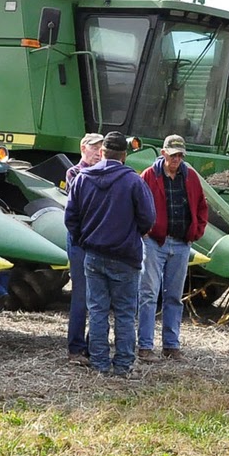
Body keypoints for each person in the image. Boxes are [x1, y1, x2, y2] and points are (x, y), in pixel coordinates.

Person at [64, 130, 154, 377]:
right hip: (125, 255)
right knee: (125, 313)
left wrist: (84, 240)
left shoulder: (83, 178)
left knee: (97, 310)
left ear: (103, 152)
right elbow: (148, 218)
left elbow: (70, 218)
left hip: (93, 254)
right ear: (124, 155)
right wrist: (133, 234)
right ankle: (123, 365)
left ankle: (100, 363)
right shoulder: (134, 181)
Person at [137, 134, 208, 361]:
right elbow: (137, 203)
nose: (176, 159)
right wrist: (144, 229)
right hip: (154, 242)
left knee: (174, 296)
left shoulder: (191, 177)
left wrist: (195, 232)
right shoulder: (149, 175)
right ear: (163, 153)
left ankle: (171, 345)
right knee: (148, 294)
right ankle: (145, 346)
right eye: (173, 154)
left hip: (181, 243)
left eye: (180, 155)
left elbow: (201, 206)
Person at [63, 132, 106, 366]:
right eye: (94, 147)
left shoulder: (105, 173)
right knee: (81, 295)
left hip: (98, 241)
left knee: (99, 296)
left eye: (101, 148)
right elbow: (79, 208)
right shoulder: (74, 173)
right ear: (83, 148)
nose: (98, 152)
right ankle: (76, 348)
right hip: (80, 241)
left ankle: (94, 346)